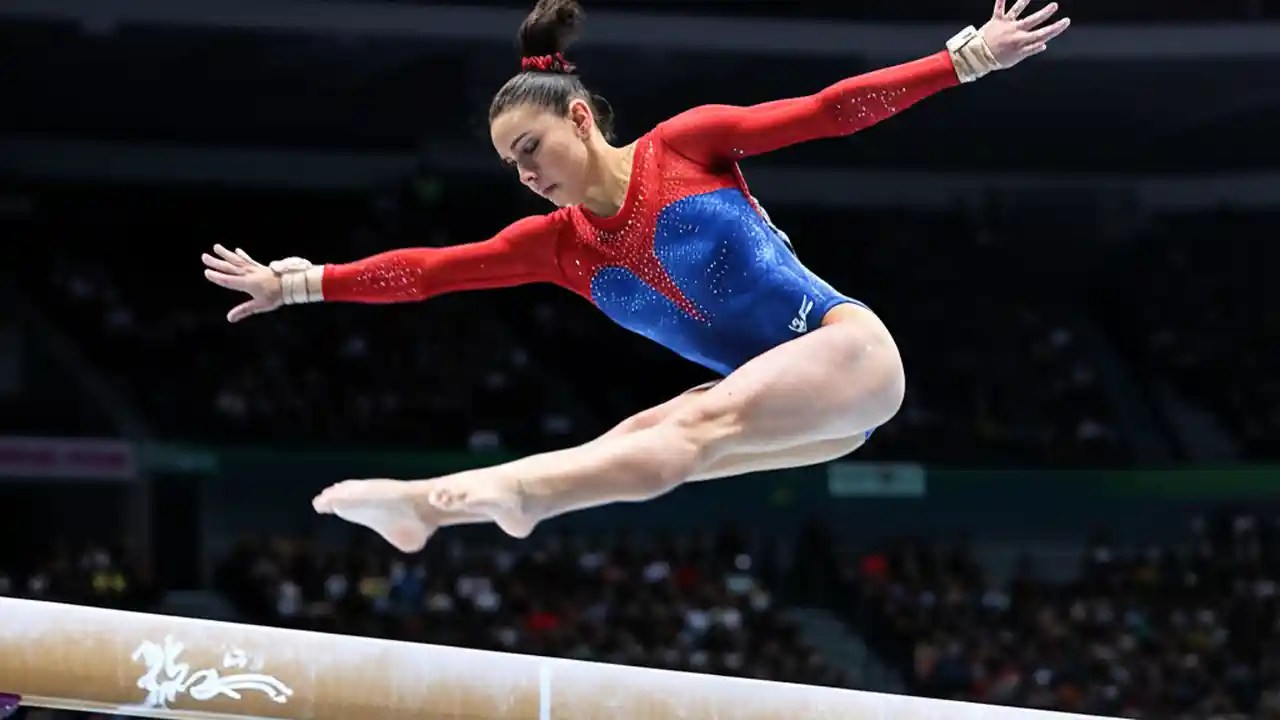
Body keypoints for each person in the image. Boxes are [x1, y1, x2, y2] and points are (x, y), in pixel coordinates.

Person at [203, 0, 1069, 552]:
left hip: (849, 353)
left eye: (532, 148)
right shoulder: (557, 246)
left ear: (580, 119)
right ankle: (436, 509)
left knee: (687, 423)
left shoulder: (686, 148)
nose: (525, 174)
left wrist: (965, 58)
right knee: (635, 448)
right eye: (510, 164)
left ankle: (509, 497)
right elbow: (429, 273)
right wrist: (301, 284)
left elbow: (827, 112)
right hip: (810, 418)